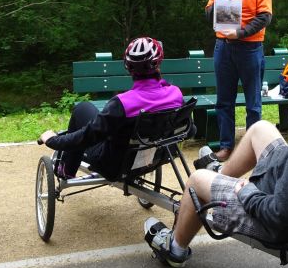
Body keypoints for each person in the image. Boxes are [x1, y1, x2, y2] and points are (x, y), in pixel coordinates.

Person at [143, 51, 288, 268]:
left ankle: (175, 250)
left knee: (196, 179)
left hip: (268, 218)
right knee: (260, 127)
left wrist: (247, 193)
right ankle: (217, 183)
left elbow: (282, 215)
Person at [39, 37, 184, 181]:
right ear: (158, 63)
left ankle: (67, 169)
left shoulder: (122, 103)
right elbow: (190, 129)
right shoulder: (175, 94)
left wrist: (53, 140)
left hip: (113, 166)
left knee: (82, 109)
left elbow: (85, 137)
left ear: (128, 66)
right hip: (157, 157)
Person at [196, 0, 273, 170]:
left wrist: (240, 32)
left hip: (250, 48)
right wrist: (220, 2)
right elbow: (208, 13)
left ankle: (253, 148)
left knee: (253, 104)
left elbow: (265, 16)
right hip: (223, 47)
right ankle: (226, 146)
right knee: (224, 100)